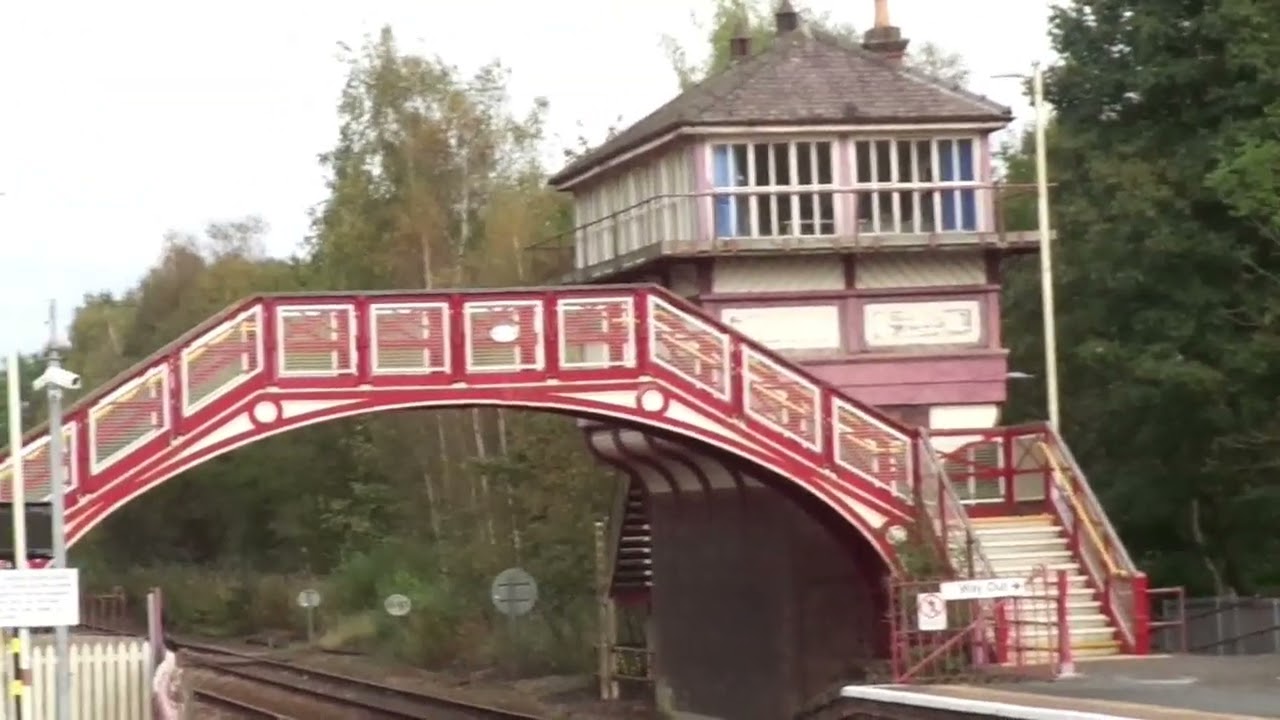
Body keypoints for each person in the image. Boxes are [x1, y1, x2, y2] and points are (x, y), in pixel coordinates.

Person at [152, 635, 185, 720]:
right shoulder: (172, 660)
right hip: (166, 688)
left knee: (165, 712)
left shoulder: (169, 659)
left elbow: (162, 677)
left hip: (163, 689)